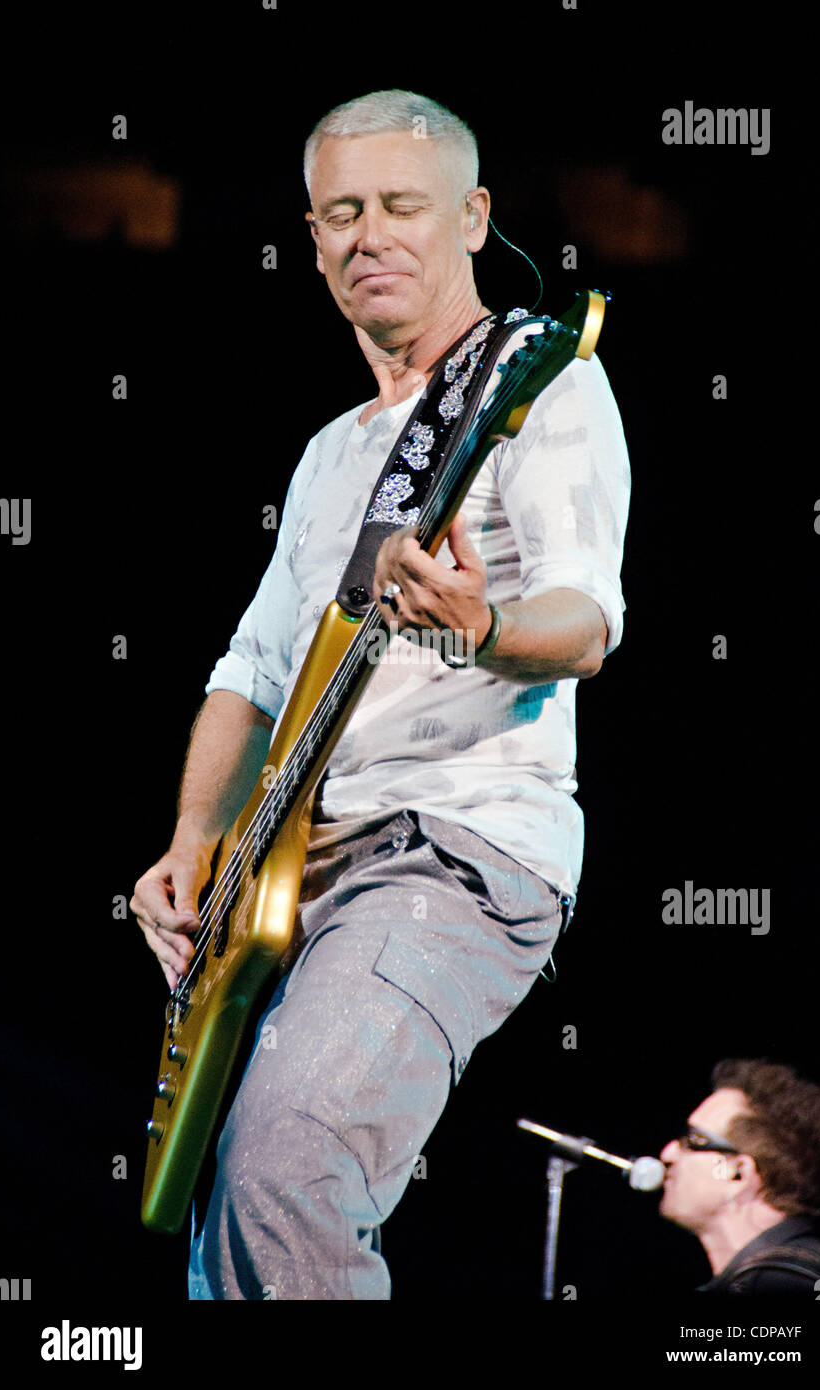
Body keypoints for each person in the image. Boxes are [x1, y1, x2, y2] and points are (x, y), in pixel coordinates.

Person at [131, 88, 631, 1299]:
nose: (371, 235)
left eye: (402, 206)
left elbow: (585, 618)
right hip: (289, 866)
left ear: (471, 218)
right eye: (341, 212)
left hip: (448, 850)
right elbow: (249, 671)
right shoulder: (329, 453)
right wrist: (196, 838)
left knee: (288, 1169)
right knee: (220, 1232)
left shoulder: (539, 387)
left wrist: (486, 624)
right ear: (310, 239)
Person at [659, 1058, 820, 1294]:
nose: (668, 1153)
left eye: (694, 1141)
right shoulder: (799, 1276)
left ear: (738, 1174)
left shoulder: (786, 1282)